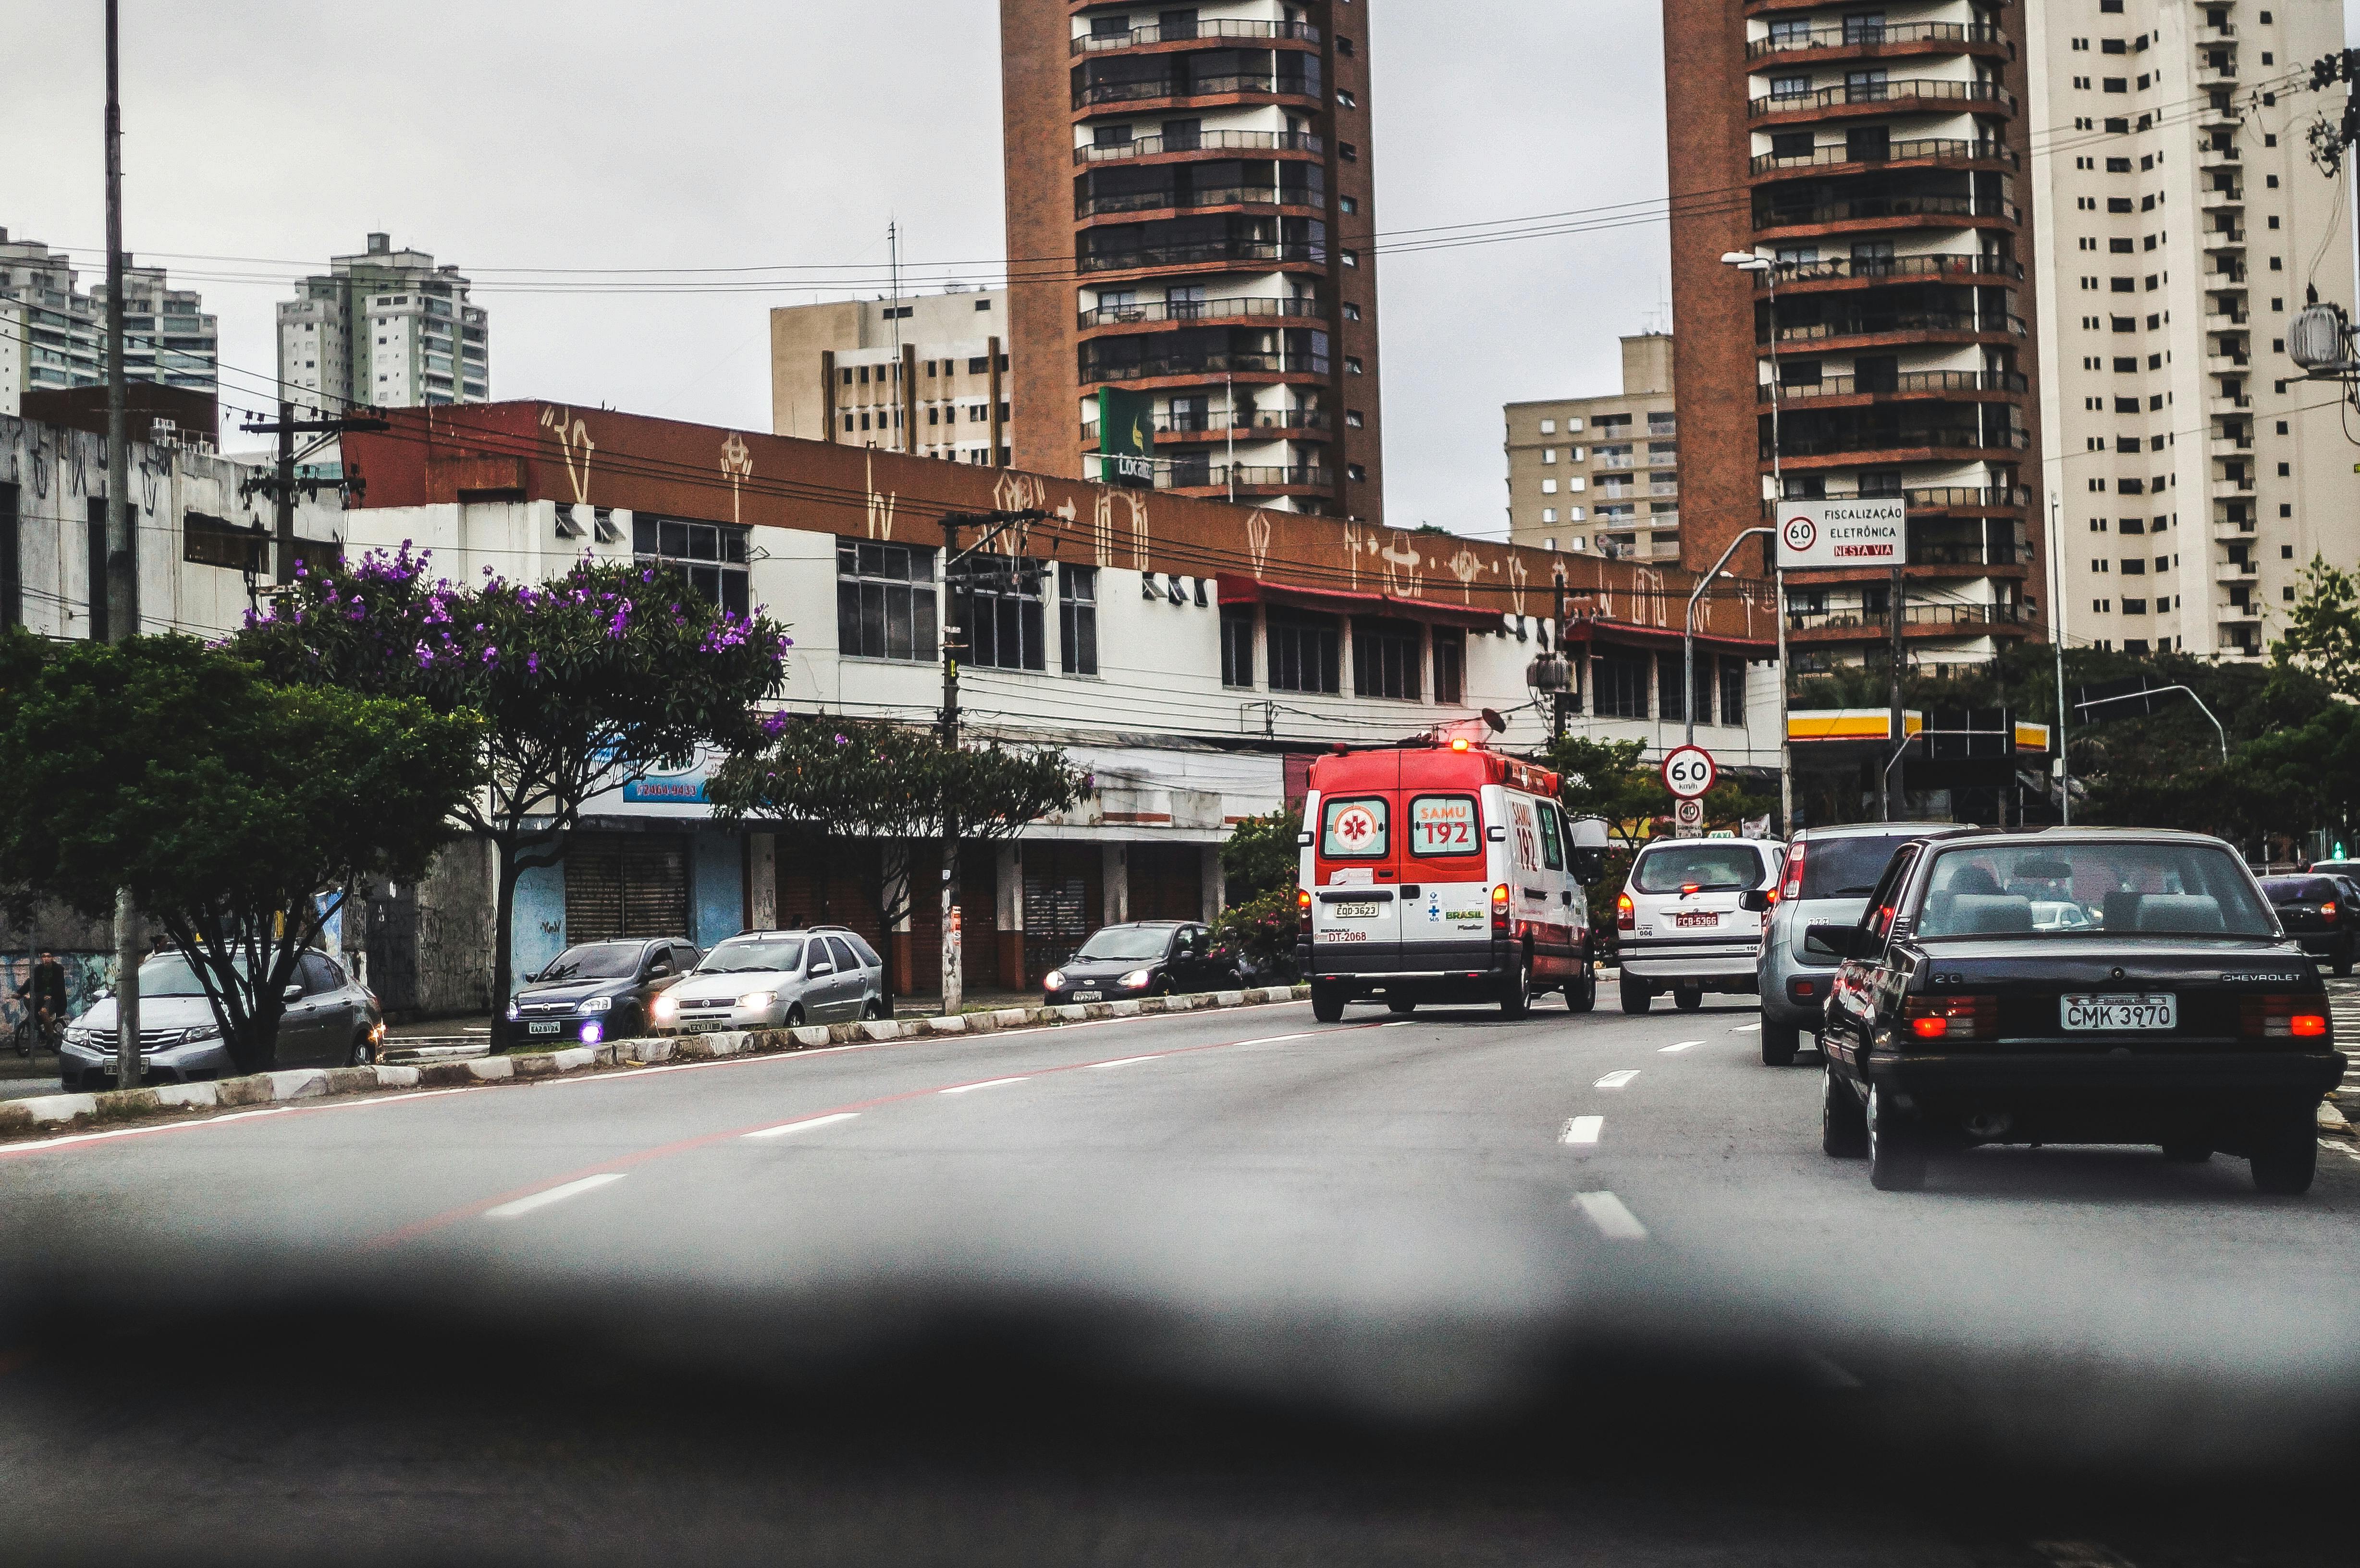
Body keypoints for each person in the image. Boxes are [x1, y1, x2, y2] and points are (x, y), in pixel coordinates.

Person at [13, 951, 68, 1054]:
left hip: (55, 998)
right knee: (31, 1011)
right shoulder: (38, 970)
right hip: (40, 997)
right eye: (44, 956)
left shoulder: (58, 970)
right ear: (41, 958)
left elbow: (59, 987)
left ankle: (51, 1038)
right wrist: (20, 993)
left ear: (52, 958)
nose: (46, 959)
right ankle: (37, 1031)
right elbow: (31, 982)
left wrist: (49, 994)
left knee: (44, 1012)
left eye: (48, 956)